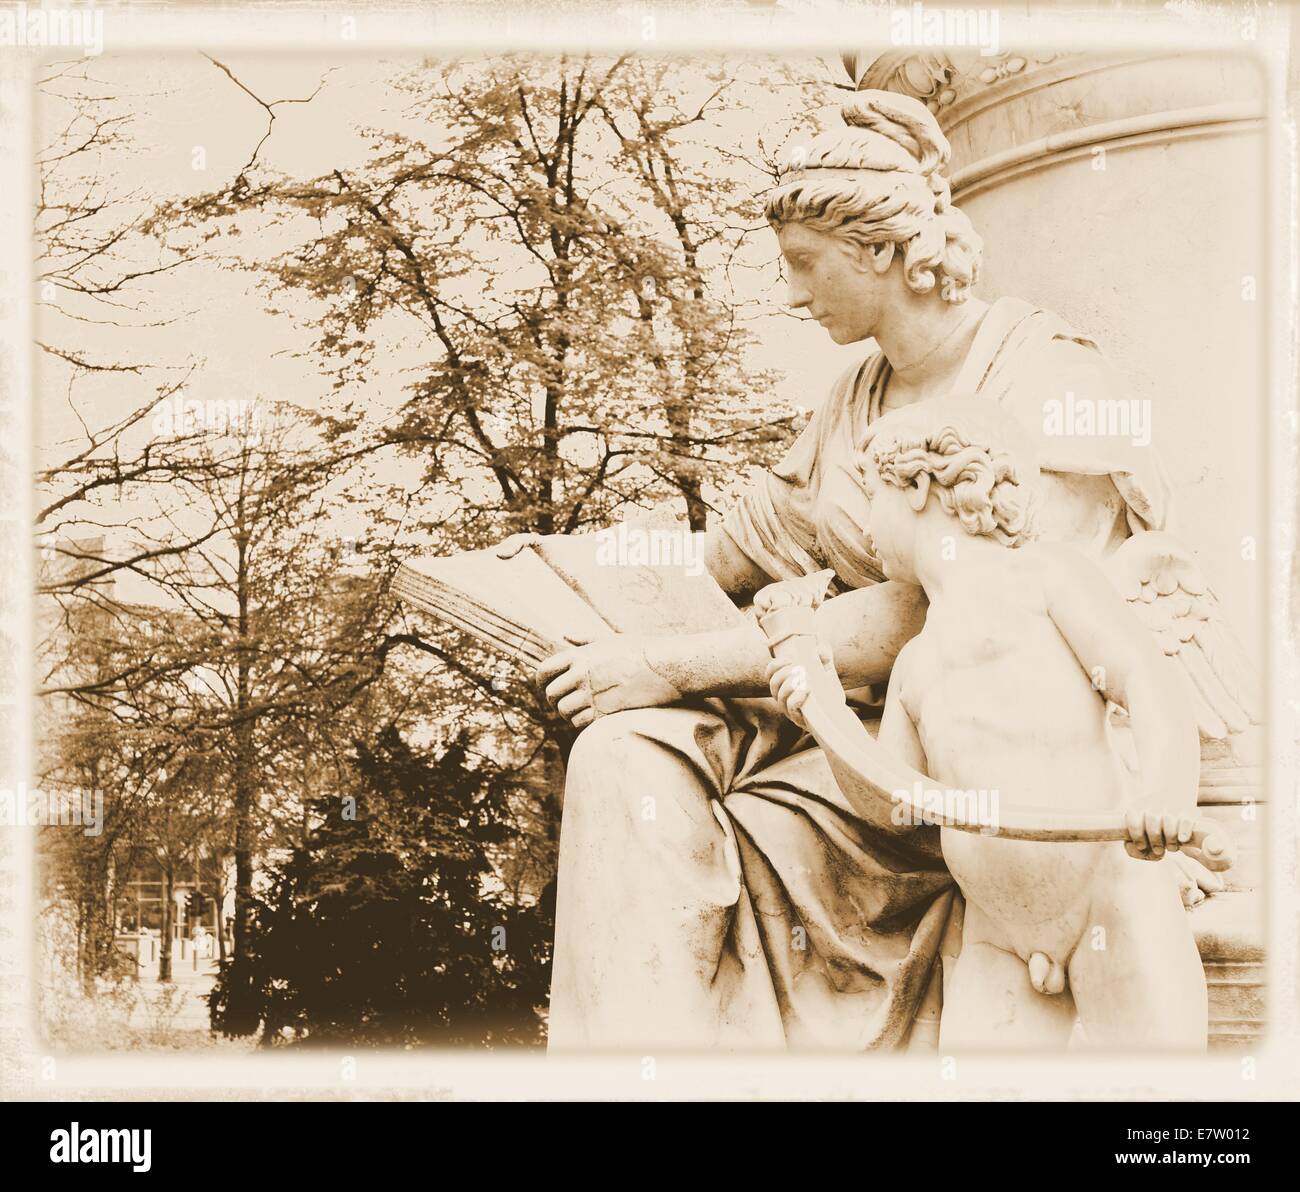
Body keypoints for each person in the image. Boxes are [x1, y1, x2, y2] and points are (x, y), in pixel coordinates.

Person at [532, 88, 1198, 1051]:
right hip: (862, 730)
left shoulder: (1044, 376)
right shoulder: (854, 397)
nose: (791, 295)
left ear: (885, 253)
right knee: (623, 753)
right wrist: (563, 570)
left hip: (988, 772)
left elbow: (949, 609)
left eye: (804, 266)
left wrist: (674, 665)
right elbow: (727, 556)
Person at [769, 395, 1212, 1049]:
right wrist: (822, 711)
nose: (859, 526)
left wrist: (1167, 793)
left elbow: (1148, 681)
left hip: (1108, 896)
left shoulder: (1046, 577)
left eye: (868, 494)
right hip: (998, 935)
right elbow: (890, 802)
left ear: (918, 485)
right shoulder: (916, 662)